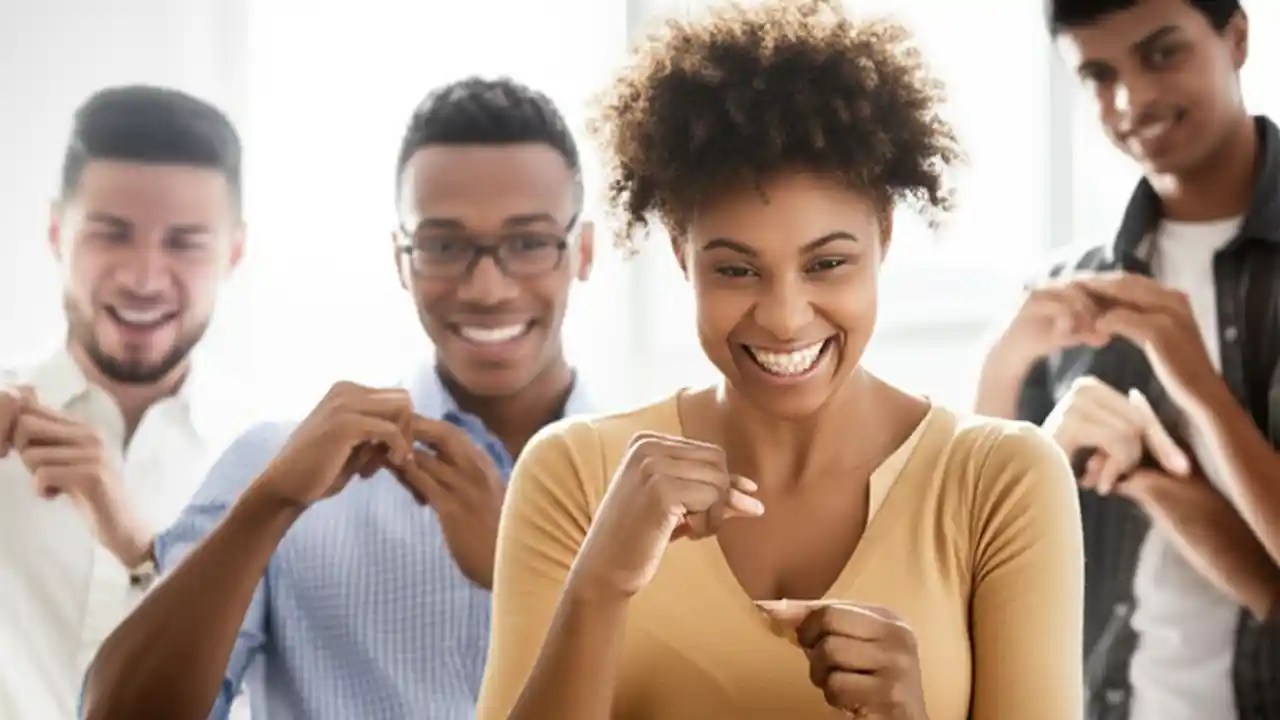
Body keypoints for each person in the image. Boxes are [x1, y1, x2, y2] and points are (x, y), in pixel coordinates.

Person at [475, 3, 1085, 719]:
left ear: (883, 239)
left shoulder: (1000, 482)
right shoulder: (576, 475)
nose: (785, 316)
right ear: (681, 254)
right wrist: (601, 582)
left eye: (827, 263)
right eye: (736, 271)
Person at [79, 77, 598, 720]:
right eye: (443, 245)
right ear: (401, 260)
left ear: (582, 250)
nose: (487, 287)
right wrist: (268, 505)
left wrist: (530, 575)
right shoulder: (279, 465)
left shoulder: (667, 484)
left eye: (528, 243)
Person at [974, 0, 1280, 718]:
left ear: (1237, 37)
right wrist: (1001, 368)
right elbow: (979, 566)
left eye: (1162, 54)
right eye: (1098, 74)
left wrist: (1198, 386)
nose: (1131, 99)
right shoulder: (1066, 295)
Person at [0, 85, 251, 719]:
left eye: (185, 242)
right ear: (58, 232)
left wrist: (143, 551)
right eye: (112, 234)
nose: (143, 277)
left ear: (234, 252)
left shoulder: (273, 469)